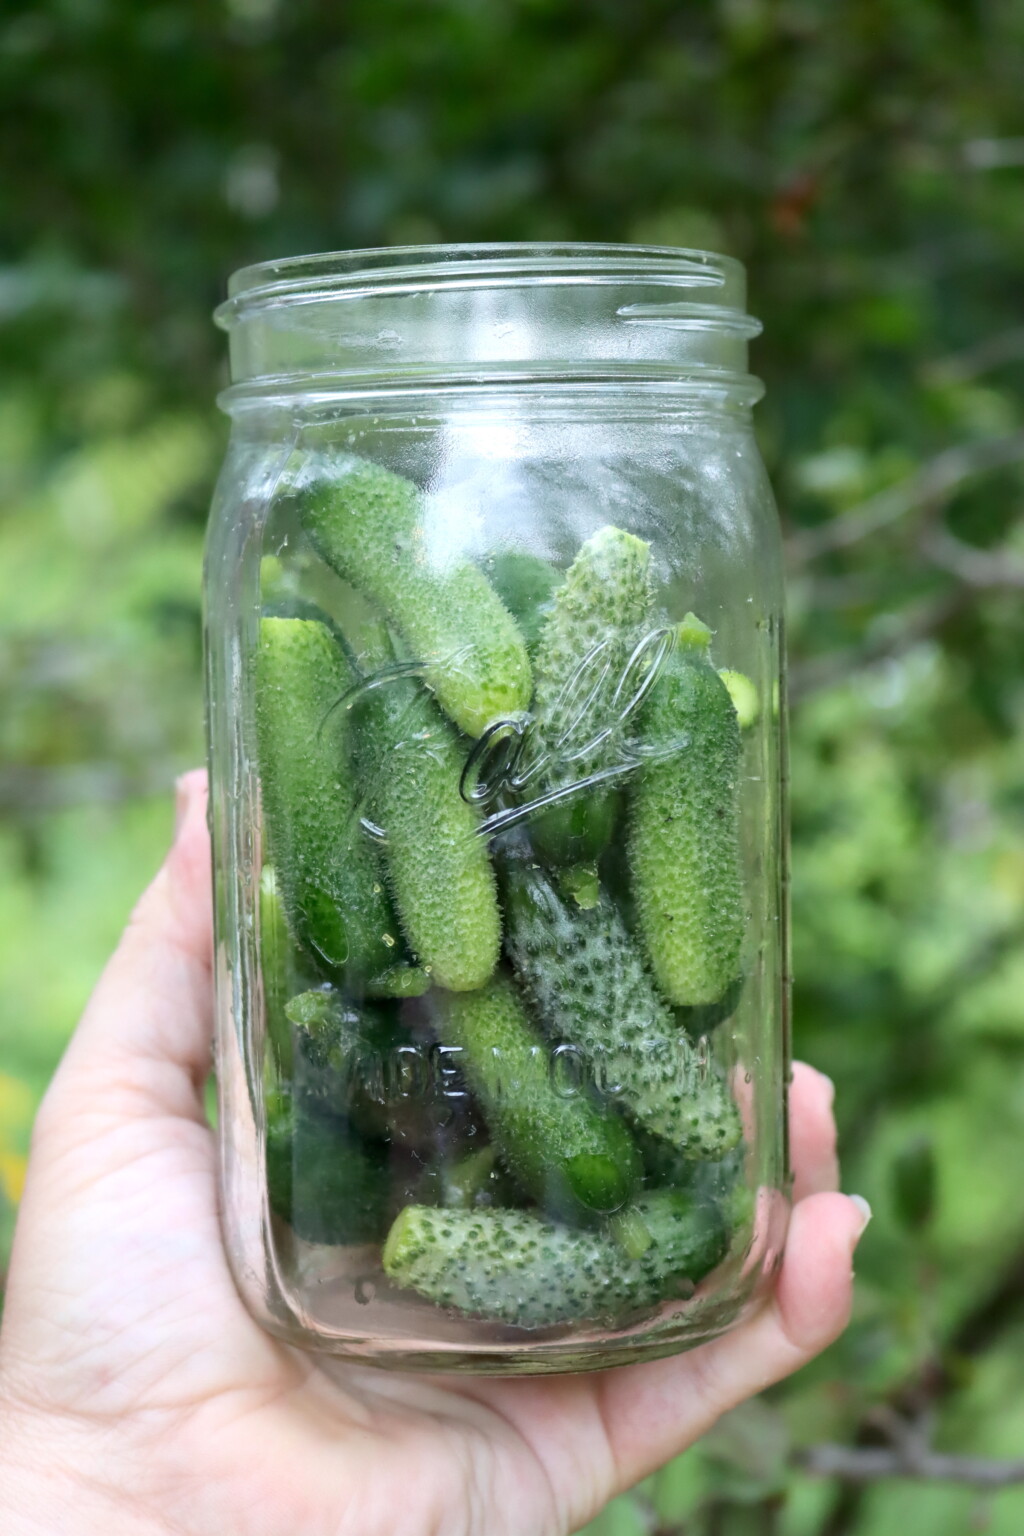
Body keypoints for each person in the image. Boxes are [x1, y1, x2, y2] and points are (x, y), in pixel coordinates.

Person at [0, 770, 869, 1535]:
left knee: (653, 1144)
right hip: (323, 1357)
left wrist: (111, 1475)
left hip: (520, 1230)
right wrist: (112, 1463)